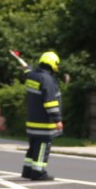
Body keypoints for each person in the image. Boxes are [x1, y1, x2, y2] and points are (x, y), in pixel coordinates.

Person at [22, 50, 63, 181]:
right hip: (44, 123)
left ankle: (27, 170)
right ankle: (38, 172)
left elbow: (28, 74)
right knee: (42, 147)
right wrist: (58, 120)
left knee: (33, 147)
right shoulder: (48, 80)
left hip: (31, 121)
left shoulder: (32, 76)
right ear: (52, 64)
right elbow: (50, 103)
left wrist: (27, 69)